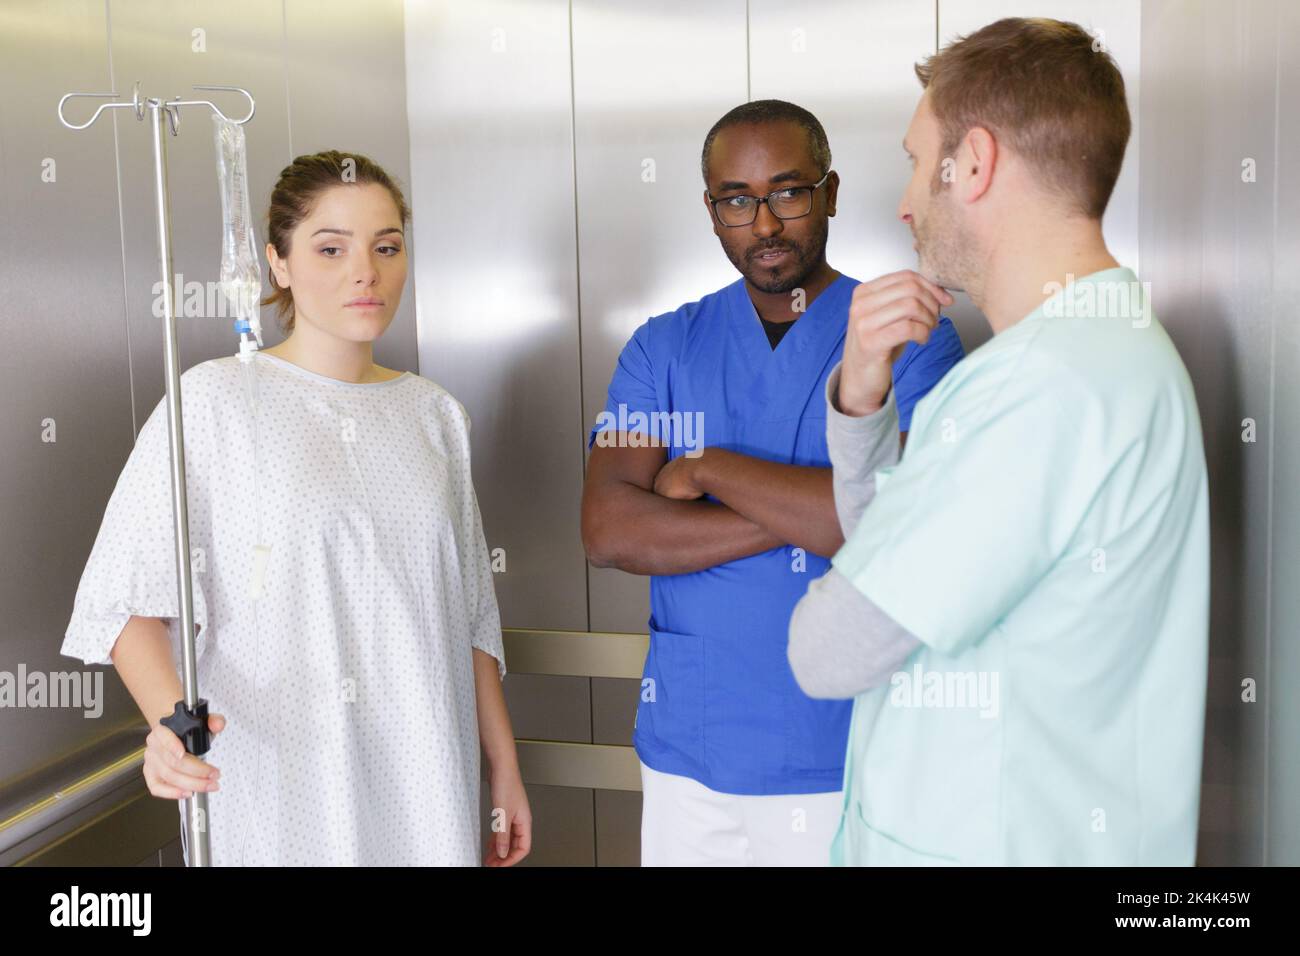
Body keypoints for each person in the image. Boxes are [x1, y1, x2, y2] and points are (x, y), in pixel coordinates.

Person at [788, 18, 1210, 865]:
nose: (905, 202)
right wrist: (864, 402)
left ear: (973, 162)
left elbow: (830, 651)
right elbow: (894, 565)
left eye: (917, 160)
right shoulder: (1097, 350)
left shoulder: (1041, 386)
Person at [61, 151, 531, 866]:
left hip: (428, 776)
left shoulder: (435, 415)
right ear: (277, 264)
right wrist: (170, 725)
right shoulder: (215, 403)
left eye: (386, 246)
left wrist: (504, 769)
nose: (364, 271)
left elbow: (468, 615)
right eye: (331, 248)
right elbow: (126, 600)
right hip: (279, 786)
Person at [582, 100, 965, 866]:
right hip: (691, 745)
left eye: (788, 193)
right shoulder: (662, 348)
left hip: (843, 746)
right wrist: (826, 502)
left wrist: (709, 469)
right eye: (736, 200)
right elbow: (610, 530)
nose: (764, 224)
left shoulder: (903, 333)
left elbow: (905, 525)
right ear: (711, 210)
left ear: (828, 192)